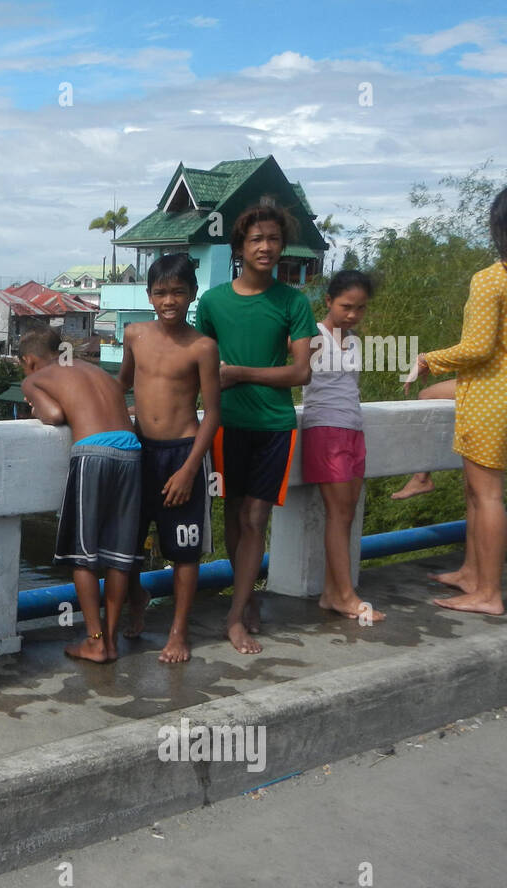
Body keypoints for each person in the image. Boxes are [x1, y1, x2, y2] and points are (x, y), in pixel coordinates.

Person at [407, 183, 507, 614]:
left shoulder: (491, 279)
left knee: (488, 495)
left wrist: (428, 359)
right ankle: (472, 574)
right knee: (479, 493)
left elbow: (476, 349)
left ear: (502, 227)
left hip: (490, 401)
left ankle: (489, 594)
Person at [196, 204, 317, 653]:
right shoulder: (212, 303)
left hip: (274, 426)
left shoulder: (293, 302)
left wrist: (241, 373)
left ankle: (235, 614)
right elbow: (203, 365)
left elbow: (301, 373)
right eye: (256, 240)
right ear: (240, 248)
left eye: (273, 239)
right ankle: (244, 600)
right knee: (232, 516)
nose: (266, 247)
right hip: (226, 425)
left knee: (255, 517)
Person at [117, 252, 221, 662]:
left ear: (193, 294)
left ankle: (178, 631)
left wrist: (190, 469)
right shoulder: (135, 335)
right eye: (160, 292)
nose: (169, 300)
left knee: (184, 550)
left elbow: (213, 411)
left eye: (178, 291)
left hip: (183, 453)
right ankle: (137, 596)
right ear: (149, 295)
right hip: (140, 451)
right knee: (125, 548)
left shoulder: (202, 347)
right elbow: (121, 384)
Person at [21, 326, 142, 663]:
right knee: (119, 556)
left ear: (29, 361)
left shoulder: (35, 378)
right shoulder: (97, 370)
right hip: (132, 451)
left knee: (83, 556)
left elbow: (55, 415)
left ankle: (95, 641)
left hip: (93, 453)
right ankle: (112, 640)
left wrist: (36, 408)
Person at [302, 270, 385, 622]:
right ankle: (347, 596)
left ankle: (330, 593)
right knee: (338, 515)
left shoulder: (353, 342)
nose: (353, 314)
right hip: (324, 430)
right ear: (328, 301)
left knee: (346, 515)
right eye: (346, 306)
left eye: (360, 308)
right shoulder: (312, 338)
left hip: (353, 429)